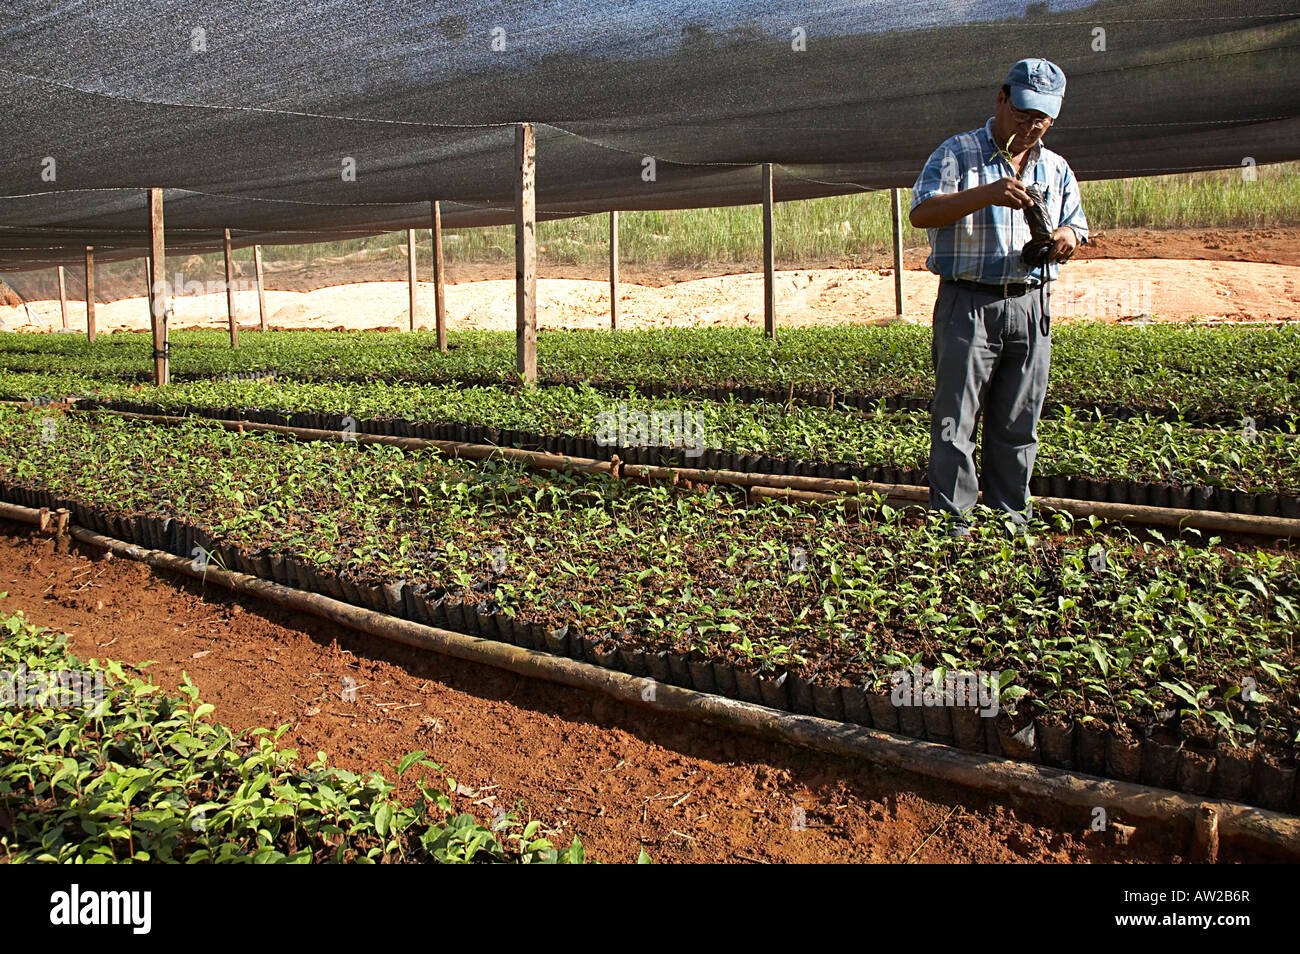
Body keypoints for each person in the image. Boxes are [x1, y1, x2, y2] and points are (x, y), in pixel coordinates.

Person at [909, 57, 1089, 538]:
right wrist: (987, 193)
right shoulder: (957, 153)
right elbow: (923, 212)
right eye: (1024, 113)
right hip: (968, 303)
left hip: (1031, 303)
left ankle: (1011, 519)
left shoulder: (1056, 167)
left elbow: (1077, 226)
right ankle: (953, 525)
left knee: (1018, 420)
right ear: (1001, 99)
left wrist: (1065, 239)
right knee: (956, 420)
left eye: (1042, 119)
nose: (1031, 126)